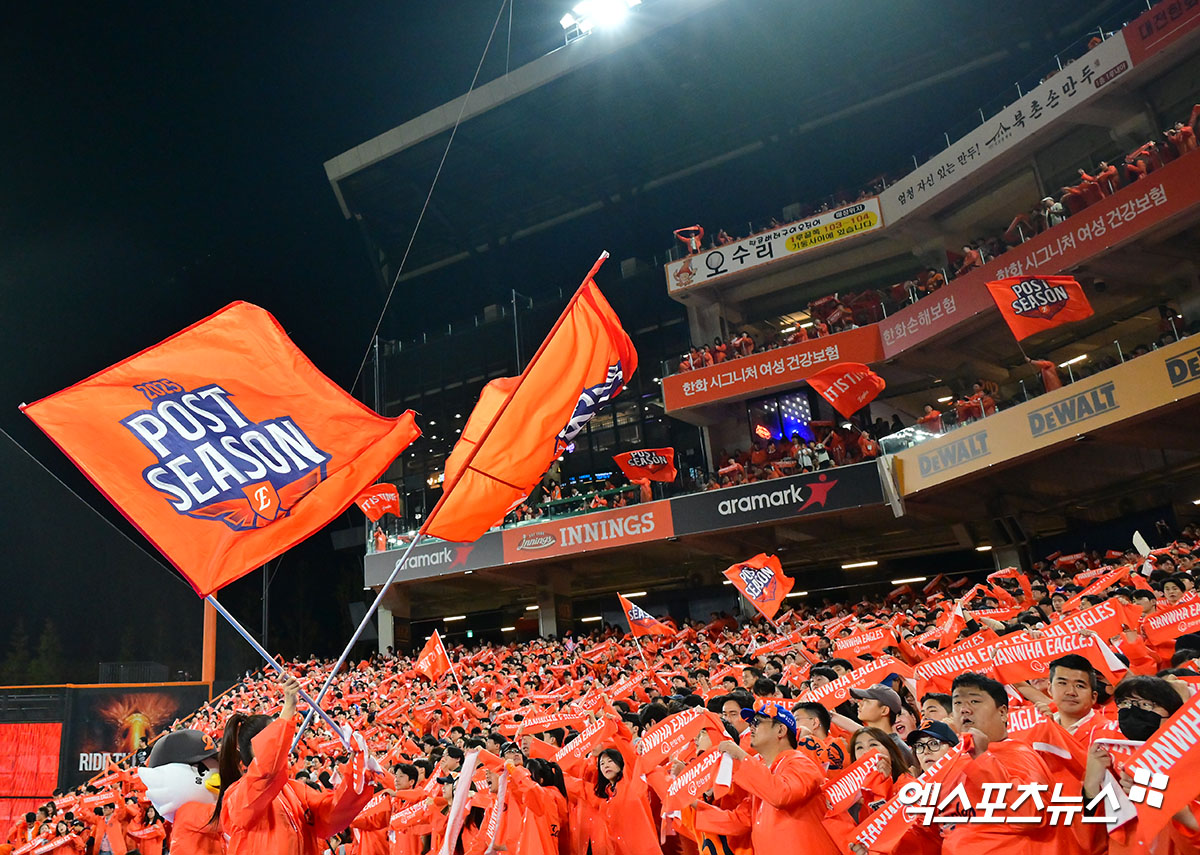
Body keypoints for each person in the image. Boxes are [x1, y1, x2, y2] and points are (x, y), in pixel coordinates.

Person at [215, 675, 377, 855]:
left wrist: (357, 764)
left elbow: (331, 816)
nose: (281, 743)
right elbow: (266, 769)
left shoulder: (296, 790)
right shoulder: (236, 796)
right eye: (274, 737)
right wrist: (289, 708)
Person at [694, 702, 841, 855]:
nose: (751, 726)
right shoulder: (764, 774)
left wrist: (742, 757)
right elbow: (737, 822)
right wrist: (689, 801)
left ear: (780, 730)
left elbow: (782, 795)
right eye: (751, 722)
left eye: (757, 722)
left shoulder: (802, 763)